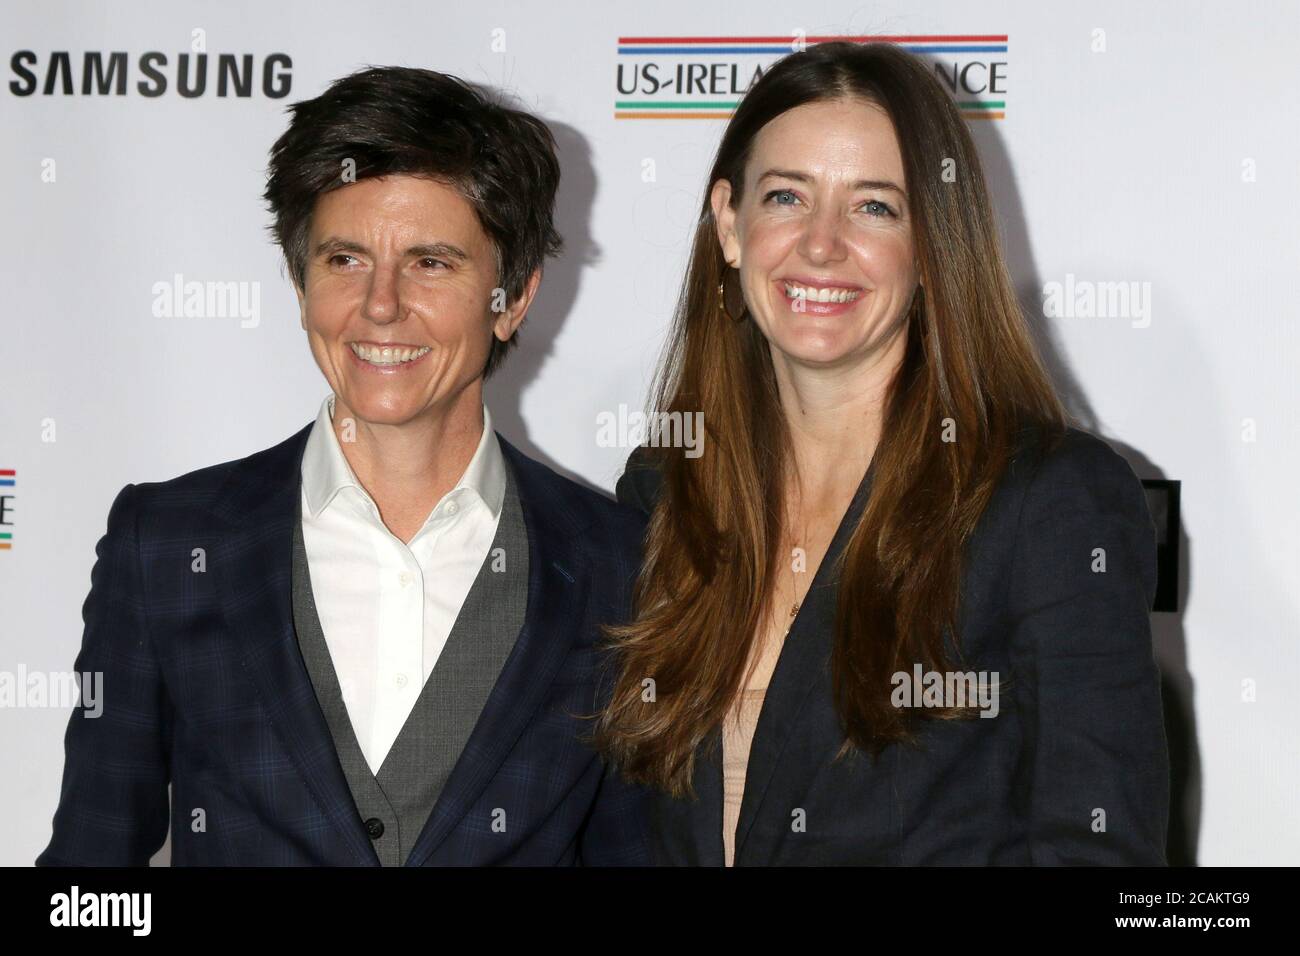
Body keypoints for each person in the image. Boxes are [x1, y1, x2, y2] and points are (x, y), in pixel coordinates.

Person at [37, 66, 648, 866]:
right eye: (345, 260)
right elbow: (86, 880)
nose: (382, 304)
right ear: (299, 282)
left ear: (514, 299)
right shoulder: (169, 545)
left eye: (432, 262)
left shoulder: (618, 564)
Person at [596, 41, 1169, 865]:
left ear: (936, 244)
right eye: (787, 196)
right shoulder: (666, 489)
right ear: (730, 223)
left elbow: (1099, 853)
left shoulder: (1050, 501)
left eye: (874, 207)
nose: (821, 245)